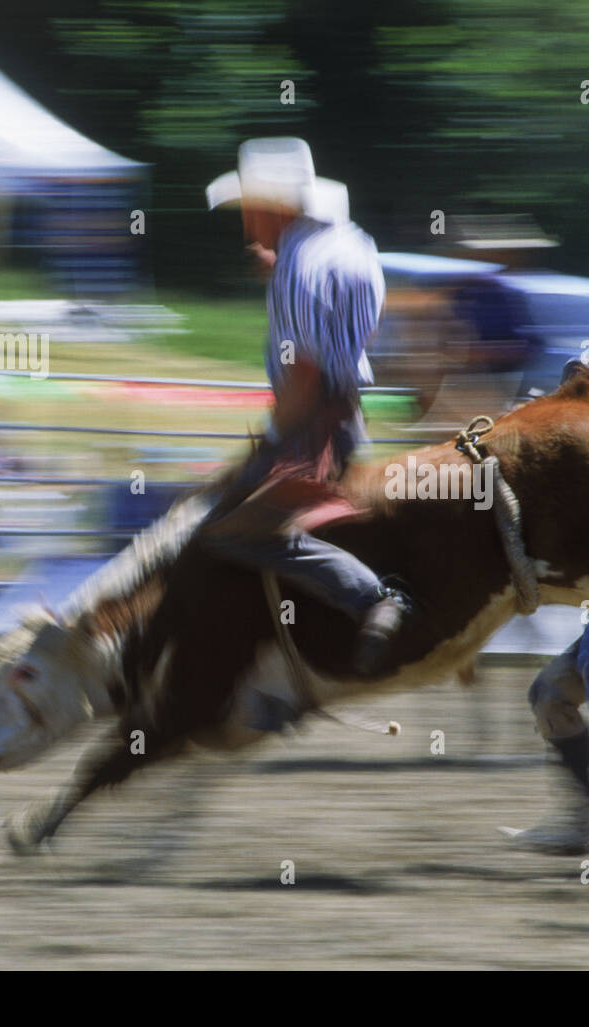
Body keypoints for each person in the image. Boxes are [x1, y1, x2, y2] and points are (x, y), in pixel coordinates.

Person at [205, 137, 410, 679]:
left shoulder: (297, 268)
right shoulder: (351, 244)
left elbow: (303, 380)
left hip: (310, 432)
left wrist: (271, 443)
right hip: (350, 419)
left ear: (271, 207)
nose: (245, 222)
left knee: (226, 528)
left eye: (248, 208)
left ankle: (370, 599)